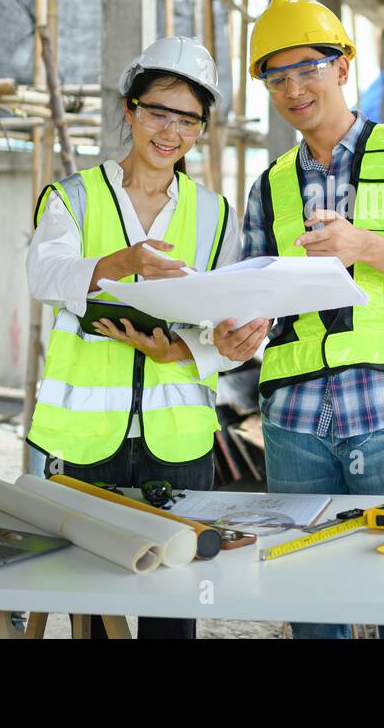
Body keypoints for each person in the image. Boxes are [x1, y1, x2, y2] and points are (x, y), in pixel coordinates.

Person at [25, 35, 269, 639]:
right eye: (159, 111)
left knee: (174, 608)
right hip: (85, 441)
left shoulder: (215, 214)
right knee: (95, 609)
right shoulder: (73, 198)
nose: (171, 131)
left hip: (180, 442)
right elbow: (44, 275)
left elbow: (228, 319)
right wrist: (116, 263)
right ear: (130, 108)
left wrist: (203, 346)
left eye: (189, 119)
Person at [242, 0, 384, 639]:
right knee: (313, 608)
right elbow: (260, 294)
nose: (293, 88)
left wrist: (360, 244)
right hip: (293, 428)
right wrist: (237, 328)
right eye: (276, 78)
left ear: (343, 68)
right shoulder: (271, 183)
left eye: (307, 68)